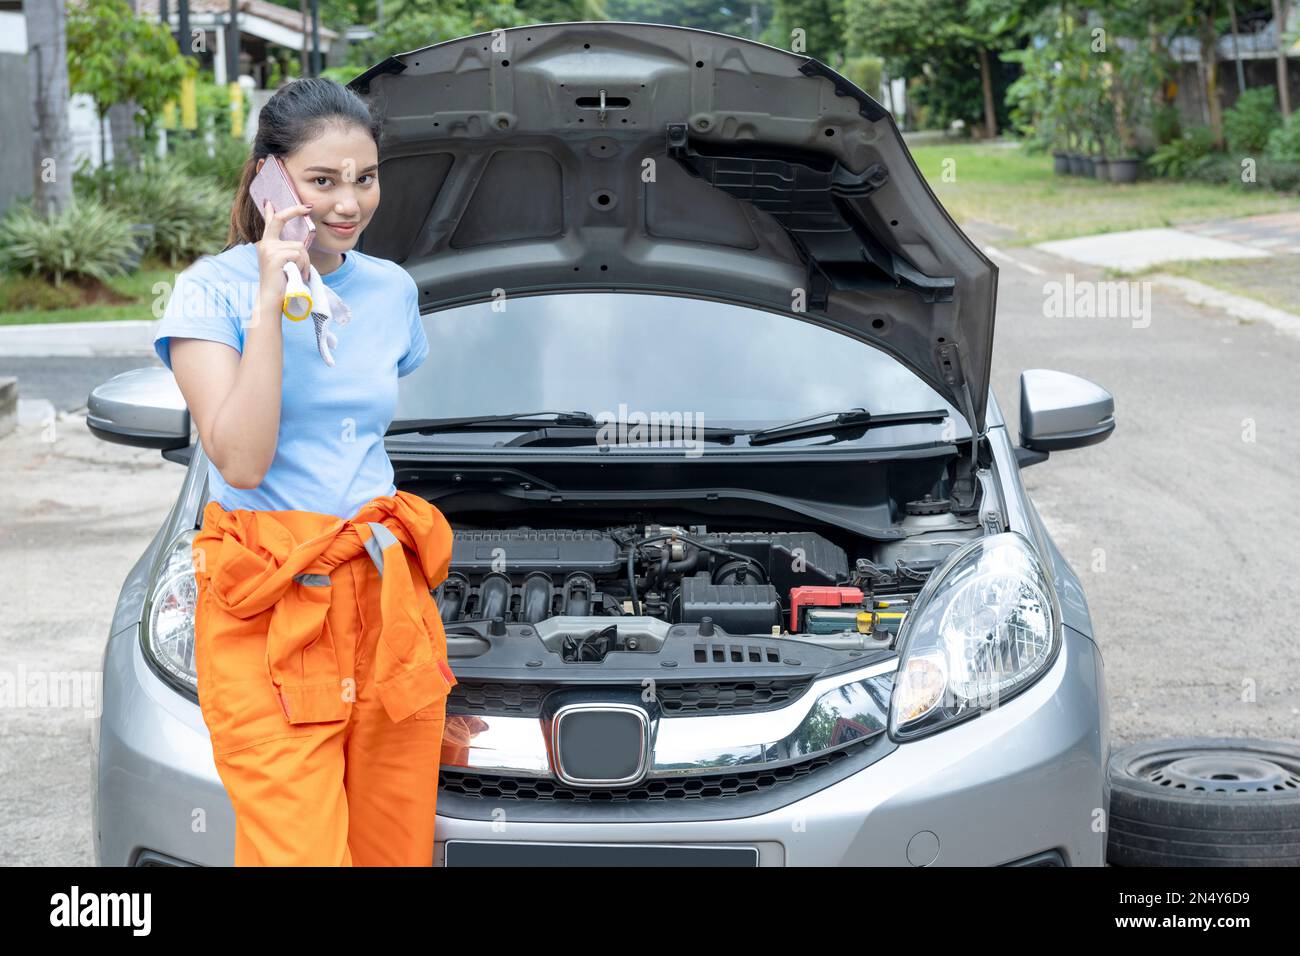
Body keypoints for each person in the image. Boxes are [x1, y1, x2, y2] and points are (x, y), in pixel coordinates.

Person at [152, 77, 458, 866]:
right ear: (269, 177)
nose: (349, 203)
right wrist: (271, 294)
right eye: (323, 181)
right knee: (301, 854)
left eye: (366, 177)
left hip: (382, 594)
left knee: (391, 848)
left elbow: (358, 433)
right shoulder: (210, 293)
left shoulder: (391, 290)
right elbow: (243, 460)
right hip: (269, 596)